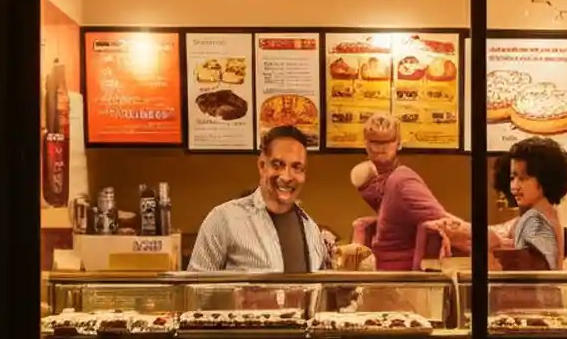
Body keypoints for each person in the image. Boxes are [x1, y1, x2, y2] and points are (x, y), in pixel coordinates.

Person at [188, 126, 330, 272]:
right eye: (278, 165)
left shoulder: (311, 230)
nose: (287, 177)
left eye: (297, 167)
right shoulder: (223, 220)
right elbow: (194, 290)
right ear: (262, 166)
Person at [350, 113, 457, 271]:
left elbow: (445, 222)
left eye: (388, 141)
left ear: (399, 143)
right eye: (375, 142)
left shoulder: (402, 181)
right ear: (366, 144)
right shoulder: (366, 176)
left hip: (404, 276)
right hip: (384, 273)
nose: (381, 147)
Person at [497, 138, 567, 270]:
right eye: (512, 178)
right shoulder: (545, 213)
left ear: (545, 178)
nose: (515, 186)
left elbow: (531, 276)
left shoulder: (535, 220)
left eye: (523, 178)